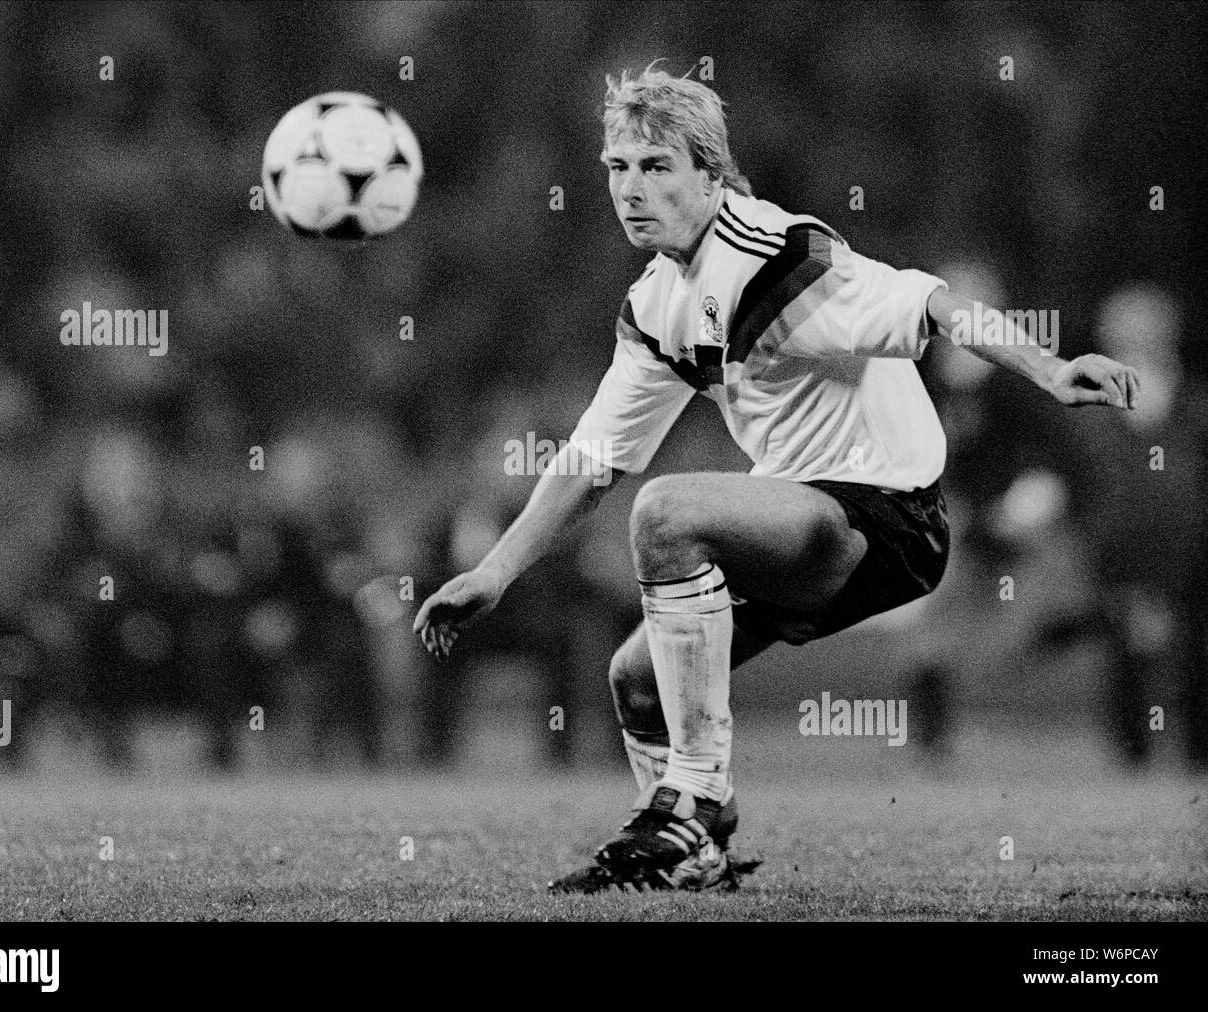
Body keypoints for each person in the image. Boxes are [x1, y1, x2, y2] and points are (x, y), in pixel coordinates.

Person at [413, 66, 1140, 893]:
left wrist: (1047, 369)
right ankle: (694, 857)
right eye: (617, 167)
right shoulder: (656, 306)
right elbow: (590, 458)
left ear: (712, 174)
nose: (630, 188)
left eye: (656, 166)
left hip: (887, 515)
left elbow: (932, 301)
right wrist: (495, 571)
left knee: (668, 511)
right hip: (808, 523)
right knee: (635, 679)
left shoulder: (778, 252)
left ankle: (695, 798)